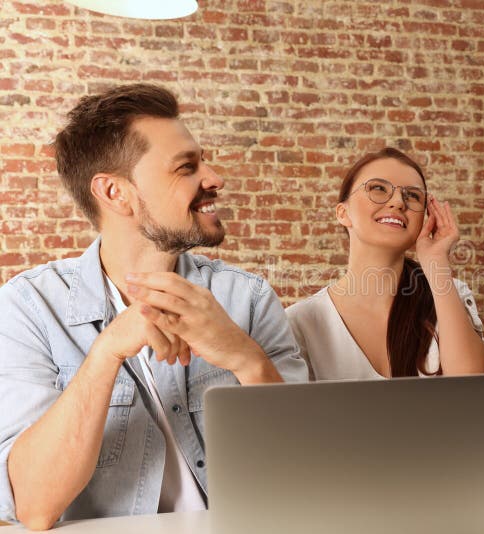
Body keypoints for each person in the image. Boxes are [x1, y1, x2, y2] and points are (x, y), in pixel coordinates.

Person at [0, 83, 308, 529]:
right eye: (186, 167)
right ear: (114, 193)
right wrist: (106, 354)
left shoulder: (248, 299)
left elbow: (305, 475)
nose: (214, 178)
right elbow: (34, 505)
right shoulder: (30, 307)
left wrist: (245, 358)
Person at [286, 147, 484, 379]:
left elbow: (475, 388)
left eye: (412, 196)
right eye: (378, 189)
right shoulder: (300, 323)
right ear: (343, 213)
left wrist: (436, 262)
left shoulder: (447, 294)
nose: (398, 202)